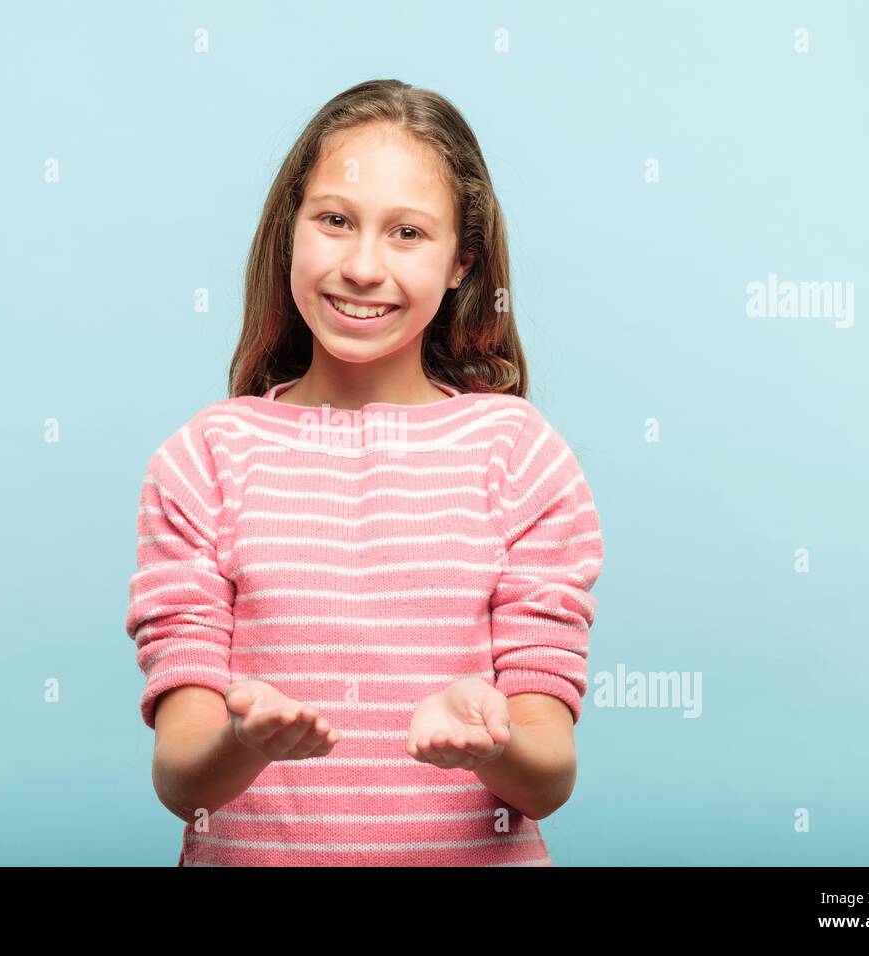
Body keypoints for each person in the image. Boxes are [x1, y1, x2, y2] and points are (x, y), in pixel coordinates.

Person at [124, 78, 604, 866]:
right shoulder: (202, 461)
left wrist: (490, 741)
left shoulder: (519, 455)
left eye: (408, 233)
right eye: (336, 221)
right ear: (291, 233)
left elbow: (548, 778)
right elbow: (183, 780)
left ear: (462, 264)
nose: (362, 266)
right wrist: (244, 742)